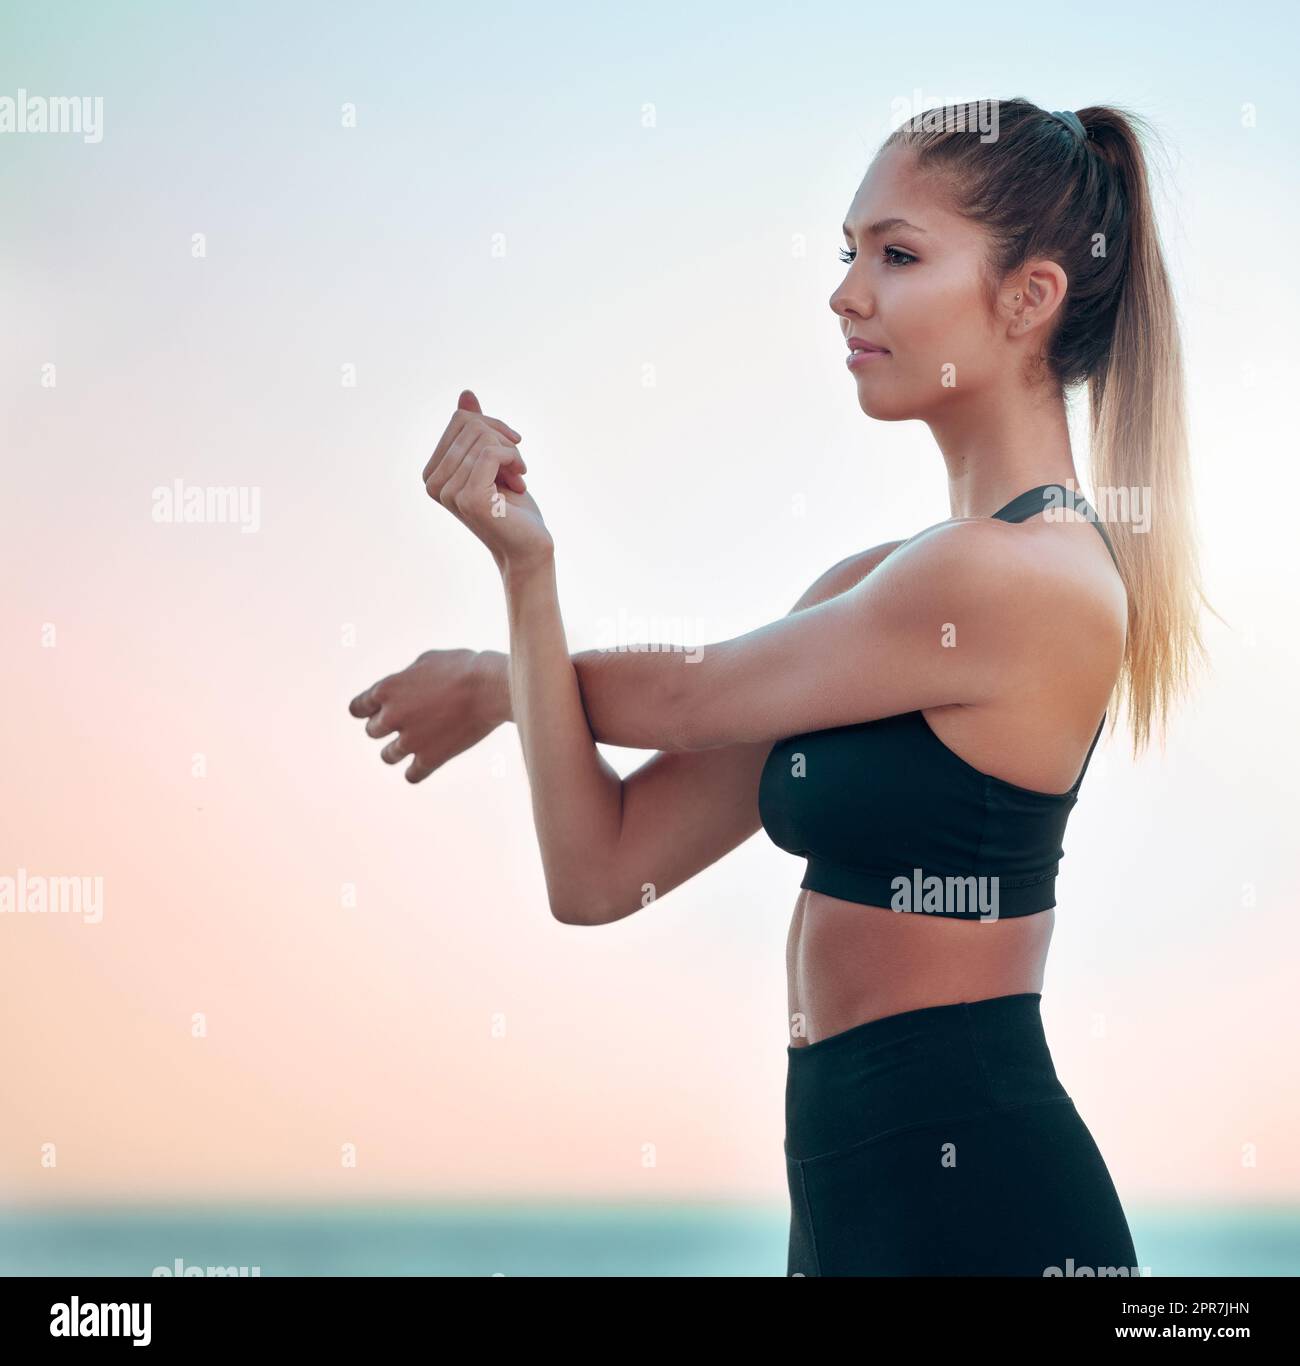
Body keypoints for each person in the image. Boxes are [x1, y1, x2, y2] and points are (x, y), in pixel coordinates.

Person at [350, 98, 1212, 1275]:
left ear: (1028, 298)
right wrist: (526, 570)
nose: (847, 292)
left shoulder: (1016, 576)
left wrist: (512, 679)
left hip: (989, 1213)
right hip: (842, 1214)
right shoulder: (876, 588)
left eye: (897, 254)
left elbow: (691, 700)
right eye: (847, 252)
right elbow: (598, 871)